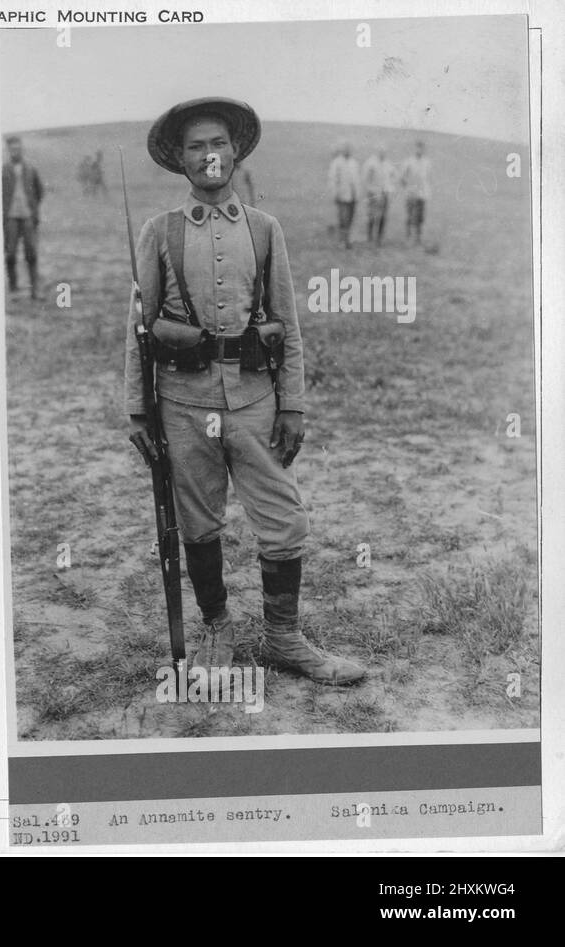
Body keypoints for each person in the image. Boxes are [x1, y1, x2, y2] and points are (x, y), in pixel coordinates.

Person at [125, 96, 365, 685]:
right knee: (199, 523)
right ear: (181, 160)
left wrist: (294, 403)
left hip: (256, 403)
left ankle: (284, 639)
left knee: (285, 520)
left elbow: (289, 321)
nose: (209, 155)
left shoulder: (264, 229)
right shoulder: (160, 232)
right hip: (183, 405)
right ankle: (217, 627)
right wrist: (138, 411)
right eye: (195, 147)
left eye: (218, 144)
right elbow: (138, 326)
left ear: (235, 151)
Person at [2, 135, 44, 299]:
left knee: (31, 253)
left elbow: (39, 191)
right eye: (12, 149)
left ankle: (34, 291)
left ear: (22, 149)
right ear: (8, 150)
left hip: (27, 217)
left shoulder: (30, 169)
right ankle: (13, 287)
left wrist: (32, 209)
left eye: (18, 149)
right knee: (11, 253)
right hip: (10, 218)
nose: (15, 152)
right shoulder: (3, 170)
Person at [399, 139, 433, 246]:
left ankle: (418, 238)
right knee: (410, 216)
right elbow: (402, 177)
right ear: (415, 149)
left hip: (422, 194)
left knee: (420, 217)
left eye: (422, 148)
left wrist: (425, 190)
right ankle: (408, 237)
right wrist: (408, 189)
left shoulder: (427, 162)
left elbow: (428, 178)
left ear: (424, 150)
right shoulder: (408, 161)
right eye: (418, 148)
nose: (419, 150)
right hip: (411, 194)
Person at [328, 141, 360, 249]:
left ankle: (348, 240)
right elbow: (332, 180)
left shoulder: (354, 162)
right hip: (342, 196)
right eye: (345, 149)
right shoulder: (336, 162)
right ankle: (342, 241)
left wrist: (357, 194)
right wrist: (335, 194)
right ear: (342, 150)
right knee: (343, 219)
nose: (347, 151)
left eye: (349, 149)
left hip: (353, 196)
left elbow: (356, 180)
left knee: (350, 219)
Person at [361, 144, 394, 246]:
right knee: (372, 215)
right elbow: (365, 179)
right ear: (377, 151)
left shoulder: (388, 163)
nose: (382, 154)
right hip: (373, 193)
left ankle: (379, 238)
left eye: (384, 152)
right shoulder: (370, 163)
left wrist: (389, 189)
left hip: (384, 193)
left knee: (383, 216)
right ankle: (369, 237)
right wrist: (371, 191)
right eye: (380, 151)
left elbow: (392, 177)